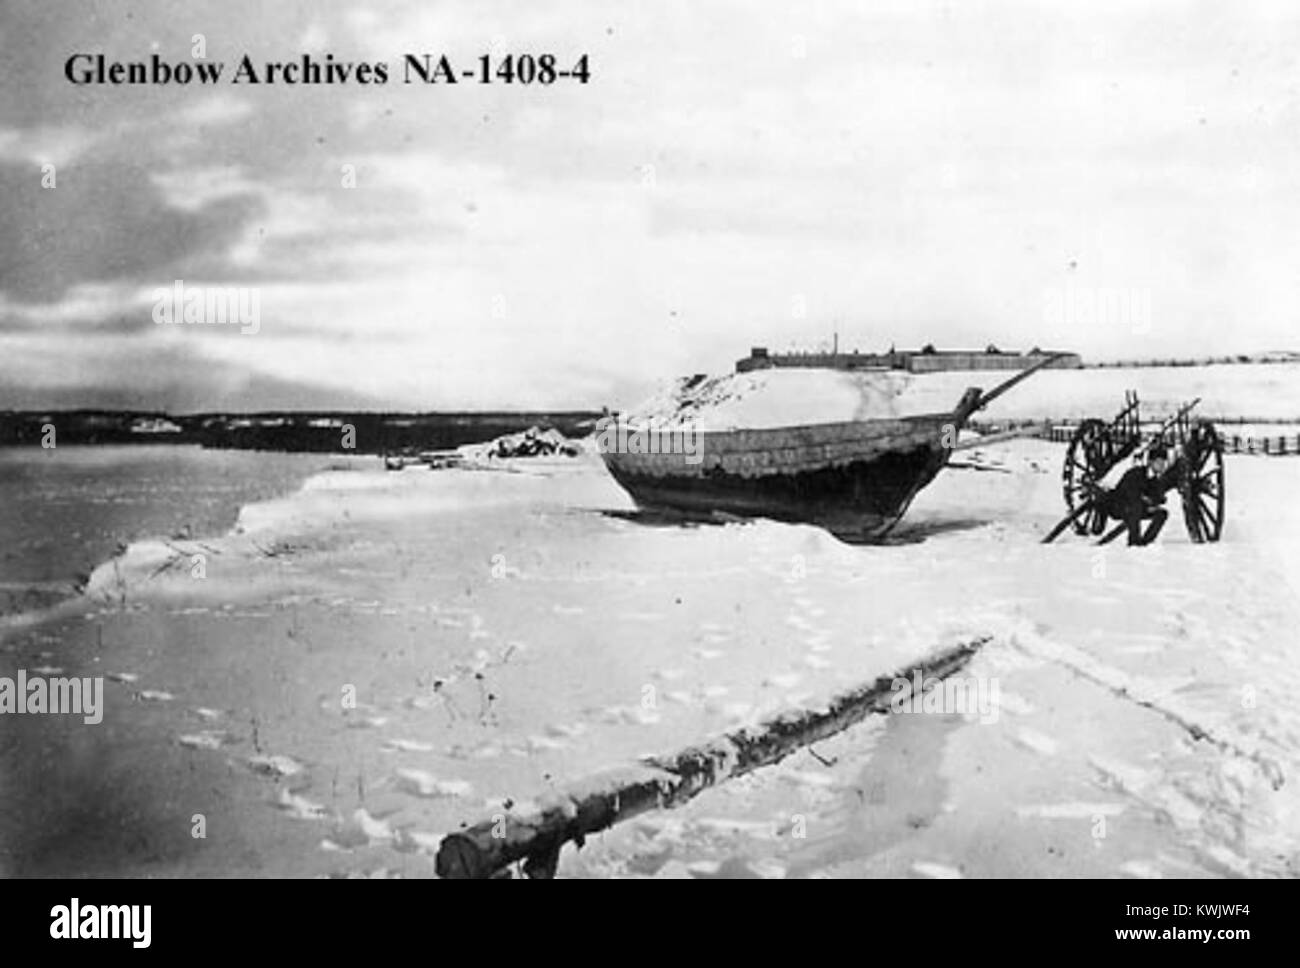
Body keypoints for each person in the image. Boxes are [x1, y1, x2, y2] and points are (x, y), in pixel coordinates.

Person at [1097, 444, 1177, 546]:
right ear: (1150, 462)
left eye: (1163, 463)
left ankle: (1146, 541)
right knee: (1135, 507)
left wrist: (1153, 503)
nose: (1162, 466)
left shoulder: (1156, 479)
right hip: (1118, 507)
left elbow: (1159, 497)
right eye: (1159, 462)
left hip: (1136, 508)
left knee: (1162, 513)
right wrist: (1146, 502)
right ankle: (1134, 541)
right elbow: (1130, 494)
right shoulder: (1135, 473)